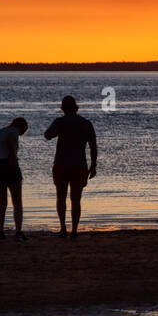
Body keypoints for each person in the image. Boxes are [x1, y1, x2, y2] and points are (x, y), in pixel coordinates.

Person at [44, 96, 97, 237]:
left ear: (62, 108)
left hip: (61, 165)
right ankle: (74, 230)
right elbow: (93, 146)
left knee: (61, 197)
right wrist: (93, 165)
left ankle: (63, 228)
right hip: (79, 166)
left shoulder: (60, 122)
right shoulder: (86, 123)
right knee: (76, 199)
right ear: (76, 108)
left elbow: (48, 135)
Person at [0, 117, 29, 240]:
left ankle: (0, 232)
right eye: (25, 129)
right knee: (17, 202)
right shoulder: (13, 132)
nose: (24, 133)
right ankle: (18, 232)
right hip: (9, 167)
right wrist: (12, 156)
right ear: (22, 126)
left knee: (2, 202)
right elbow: (10, 139)